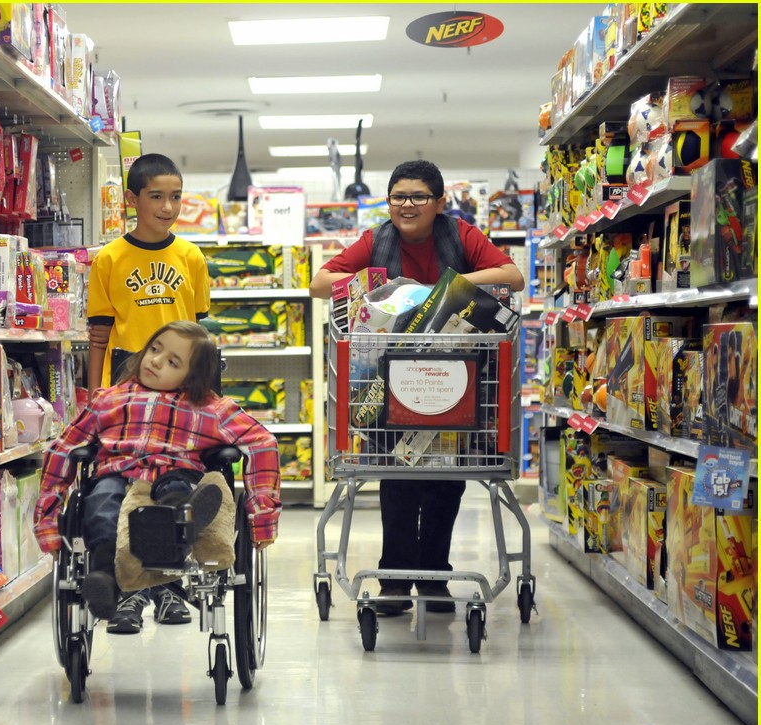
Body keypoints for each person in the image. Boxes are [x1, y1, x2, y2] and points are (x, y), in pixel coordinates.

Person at [309, 159, 524, 615]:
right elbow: (319, 283)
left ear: (439, 202)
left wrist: (439, 289)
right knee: (398, 477)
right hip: (391, 383)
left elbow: (511, 277)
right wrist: (380, 286)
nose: (407, 205)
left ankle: (435, 576)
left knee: (446, 479)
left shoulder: (461, 235)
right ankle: (395, 577)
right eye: (398, 197)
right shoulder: (376, 240)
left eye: (419, 197)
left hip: (460, 382)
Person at [33, 322, 281, 624]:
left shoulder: (210, 408)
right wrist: (48, 522)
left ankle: (176, 523)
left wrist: (262, 517)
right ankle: (106, 579)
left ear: (192, 377)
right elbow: (62, 449)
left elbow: (262, 442)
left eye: (172, 362)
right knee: (102, 505)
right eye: (154, 349)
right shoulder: (109, 399)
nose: (155, 361)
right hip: (118, 476)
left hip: (177, 473)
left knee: (178, 489)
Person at [85, 153, 212, 632]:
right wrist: (95, 393)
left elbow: (199, 332)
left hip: (182, 376)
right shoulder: (110, 258)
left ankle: (168, 589)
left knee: (172, 480)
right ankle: (125, 593)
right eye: (156, 196)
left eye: (176, 196)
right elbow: (99, 333)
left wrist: (205, 391)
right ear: (132, 200)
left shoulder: (191, 257)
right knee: (124, 482)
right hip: (126, 373)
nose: (168, 206)